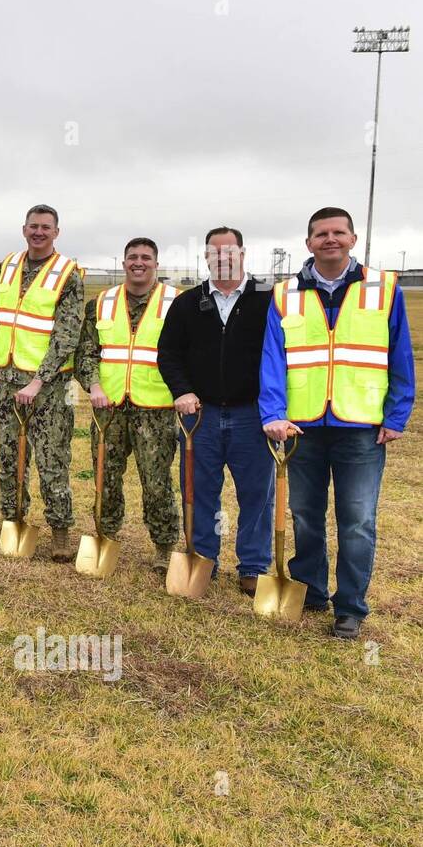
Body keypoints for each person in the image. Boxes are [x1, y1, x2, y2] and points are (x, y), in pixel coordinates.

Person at [260, 207, 415, 638]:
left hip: (361, 426)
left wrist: (397, 414)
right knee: (306, 514)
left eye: (338, 233)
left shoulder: (383, 289)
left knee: (357, 519)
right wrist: (273, 413)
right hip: (302, 427)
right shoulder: (285, 294)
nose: (330, 239)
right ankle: (310, 589)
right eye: (320, 234)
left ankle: (349, 607)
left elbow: (399, 355)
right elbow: (273, 360)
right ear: (308, 243)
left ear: (352, 239)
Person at [157, 226, 273, 594]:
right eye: (215, 252)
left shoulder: (268, 299)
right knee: (197, 491)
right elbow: (169, 354)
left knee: (256, 494)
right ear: (206, 257)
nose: (222, 258)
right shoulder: (188, 302)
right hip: (200, 417)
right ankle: (202, 558)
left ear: (242, 253)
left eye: (229, 251)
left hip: (251, 415)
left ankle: (253, 566)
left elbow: (281, 355)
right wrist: (182, 390)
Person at [0, 204, 84, 560]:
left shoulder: (67, 274)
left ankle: (59, 533)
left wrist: (38, 381)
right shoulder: (6, 267)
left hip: (50, 387)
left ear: (56, 232)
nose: (38, 232)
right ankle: (11, 522)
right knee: (10, 458)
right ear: (24, 229)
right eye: (33, 226)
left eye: (46, 227)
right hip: (8, 382)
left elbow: (67, 333)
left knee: (52, 459)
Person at [75, 237, 181, 568]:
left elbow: (188, 354)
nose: (139, 262)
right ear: (124, 263)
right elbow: (86, 352)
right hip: (108, 409)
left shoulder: (175, 303)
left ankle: (164, 547)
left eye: (146, 258)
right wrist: (93, 385)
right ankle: (105, 536)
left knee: (157, 482)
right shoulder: (102, 302)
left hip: (156, 408)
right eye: (132, 257)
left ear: (156, 264)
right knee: (105, 477)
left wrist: (184, 391)